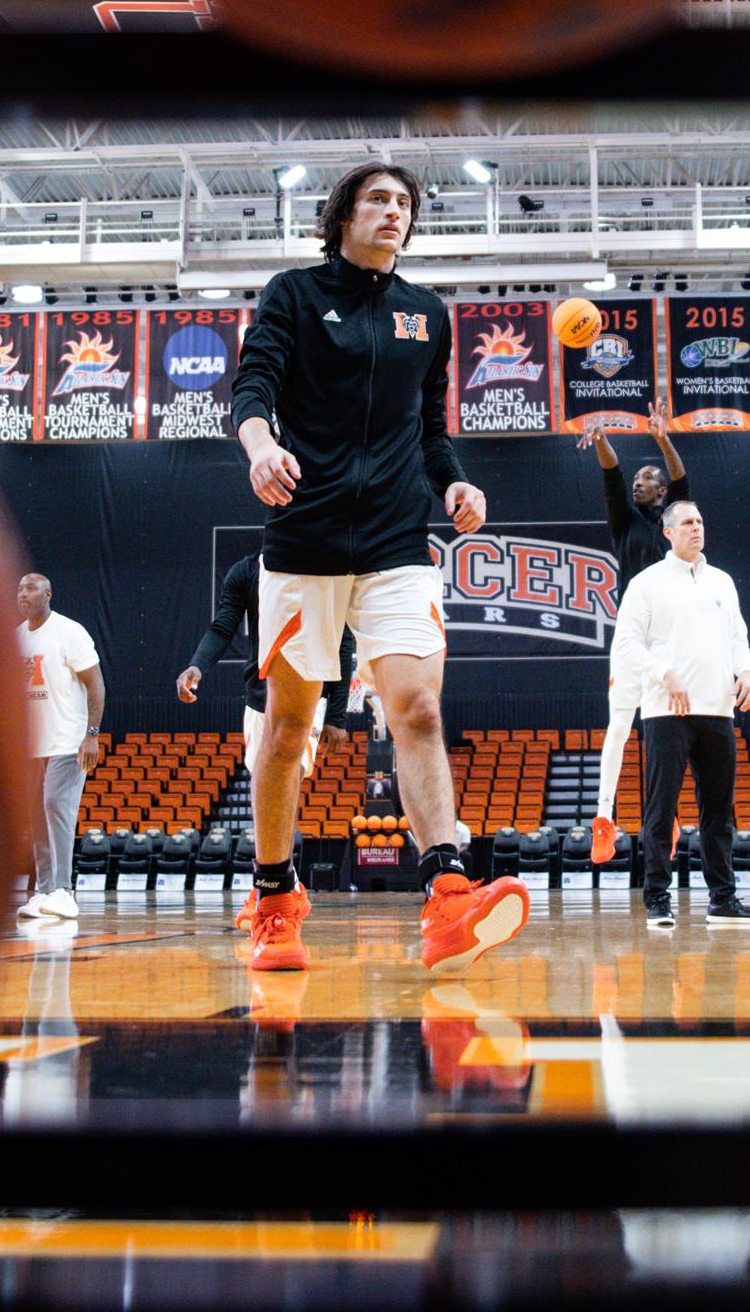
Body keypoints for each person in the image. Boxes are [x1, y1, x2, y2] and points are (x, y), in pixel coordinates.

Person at [231, 160, 529, 974]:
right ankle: (275, 896)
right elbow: (251, 387)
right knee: (290, 729)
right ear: (343, 216)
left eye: (404, 203)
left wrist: (455, 480)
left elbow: (430, 430)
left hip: (400, 540)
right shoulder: (292, 294)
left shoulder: (426, 314)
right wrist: (261, 447)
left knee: (420, 709)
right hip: (304, 538)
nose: (394, 212)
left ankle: (447, 893)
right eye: (378, 200)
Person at [177, 551, 362, 929]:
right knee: (264, 783)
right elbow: (223, 626)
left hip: (311, 693)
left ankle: (275, 880)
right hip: (260, 693)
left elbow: (343, 642)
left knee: (285, 778)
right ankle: (276, 881)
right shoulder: (245, 570)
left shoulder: (325, 565)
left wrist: (339, 715)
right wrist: (197, 664)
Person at [609, 500, 750, 929]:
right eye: (687, 523)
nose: (697, 528)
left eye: (700, 521)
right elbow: (625, 644)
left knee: (719, 813)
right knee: (661, 811)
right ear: (667, 531)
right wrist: (663, 673)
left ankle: (723, 900)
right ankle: (658, 900)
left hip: (718, 711)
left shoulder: (722, 582)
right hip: (666, 712)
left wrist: (748, 672)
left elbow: (738, 635)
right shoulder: (646, 584)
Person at [577, 406, 691, 863]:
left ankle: (671, 814)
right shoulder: (625, 522)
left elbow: (682, 481)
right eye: (638, 478)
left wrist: (663, 439)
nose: (637, 482)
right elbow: (611, 475)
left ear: (661, 492)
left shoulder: (676, 524)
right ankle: (603, 821)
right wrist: (602, 440)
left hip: (667, 635)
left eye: (647, 478)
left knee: (666, 731)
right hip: (630, 632)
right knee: (619, 728)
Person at [14, 571, 105, 921]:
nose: (24, 593)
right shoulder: (16, 638)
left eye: (31, 588)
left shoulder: (70, 632)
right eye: (20, 589)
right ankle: (44, 892)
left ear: (48, 594)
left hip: (67, 741)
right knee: (37, 816)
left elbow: (96, 684)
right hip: (33, 746)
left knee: (55, 804)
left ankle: (65, 890)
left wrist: (92, 734)